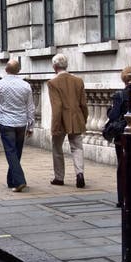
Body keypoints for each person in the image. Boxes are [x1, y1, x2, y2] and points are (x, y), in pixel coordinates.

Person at [0, 58, 35, 192]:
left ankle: (19, 180)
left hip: (6, 122)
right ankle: (11, 180)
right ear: (19, 71)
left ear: (6, 69)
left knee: (10, 152)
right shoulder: (25, 85)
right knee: (16, 151)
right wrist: (31, 125)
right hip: (21, 122)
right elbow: (30, 107)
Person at [47, 53, 88, 188]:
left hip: (61, 119)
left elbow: (57, 106)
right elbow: (83, 104)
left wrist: (55, 126)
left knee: (57, 148)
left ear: (54, 66)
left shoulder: (53, 83)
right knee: (77, 148)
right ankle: (80, 174)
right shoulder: (78, 81)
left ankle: (59, 177)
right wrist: (84, 118)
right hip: (76, 117)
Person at [106, 66, 131, 208]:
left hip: (122, 135)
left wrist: (110, 110)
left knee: (122, 165)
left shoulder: (120, 95)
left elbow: (113, 116)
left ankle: (122, 198)